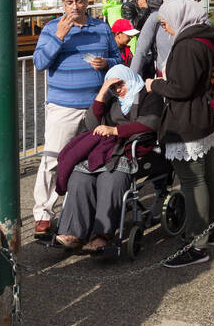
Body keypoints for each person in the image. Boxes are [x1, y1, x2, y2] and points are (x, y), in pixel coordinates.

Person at [30, 0, 121, 236]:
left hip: (95, 105)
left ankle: (77, 213)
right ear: (62, 4)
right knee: (52, 157)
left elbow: (119, 60)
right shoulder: (51, 29)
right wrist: (59, 37)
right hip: (62, 106)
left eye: (79, 1)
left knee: (87, 159)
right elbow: (39, 63)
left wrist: (107, 63)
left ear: (87, 2)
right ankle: (43, 214)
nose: (75, 7)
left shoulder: (102, 28)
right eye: (69, 2)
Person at [145, 0, 214, 267]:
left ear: (179, 18)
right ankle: (212, 230)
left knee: (193, 181)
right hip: (206, 114)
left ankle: (196, 242)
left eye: (166, 23)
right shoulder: (206, 37)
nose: (166, 29)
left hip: (188, 118)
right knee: (208, 173)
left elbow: (181, 89)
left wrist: (154, 85)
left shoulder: (187, 45)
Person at [54, 65, 162, 253]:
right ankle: (74, 232)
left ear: (129, 79)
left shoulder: (148, 96)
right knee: (80, 178)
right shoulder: (112, 100)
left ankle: (103, 234)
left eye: (120, 85)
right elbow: (91, 125)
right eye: (113, 87)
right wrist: (103, 92)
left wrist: (116, 130)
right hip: (109, 149)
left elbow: (151, 123)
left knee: (110, 178)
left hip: (134, 150)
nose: (117, 90)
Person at [133, 0, 204, 79]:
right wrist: (132, 85)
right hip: (164, 80)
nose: (194, 3)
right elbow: (140, 52)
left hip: (193, 80)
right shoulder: (157, 18)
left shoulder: (201, 22)